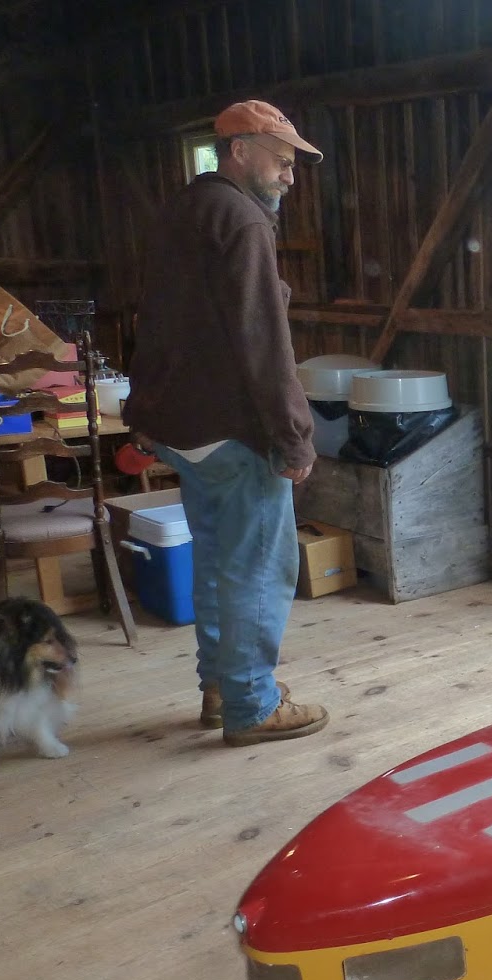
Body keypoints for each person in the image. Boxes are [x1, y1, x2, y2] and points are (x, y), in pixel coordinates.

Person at [124, 99, 329, 746]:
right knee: (258, 570)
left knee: (216, 560)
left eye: (294, 164)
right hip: (233, 430)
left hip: (184, 428)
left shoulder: (184, 209)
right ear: (239, 150)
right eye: (282, 159)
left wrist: (143, 410)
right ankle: (251, 705)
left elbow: (153, 321)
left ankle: (221, 686)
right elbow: (263, 341)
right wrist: (294, 436)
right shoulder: (242, 221)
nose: (290, 175)